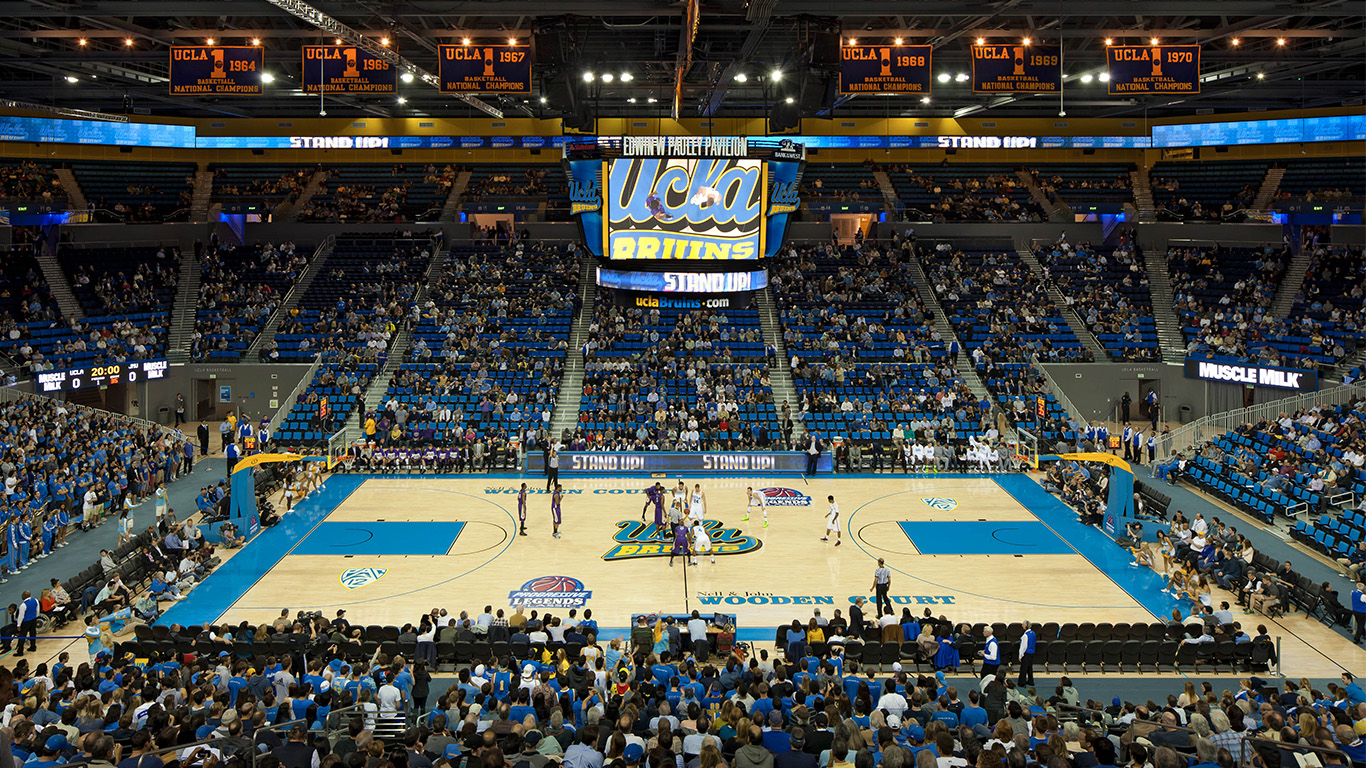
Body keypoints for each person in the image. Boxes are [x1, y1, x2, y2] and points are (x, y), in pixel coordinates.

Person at [15, 589, 39, 657]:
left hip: (26, 622)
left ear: (24, 596)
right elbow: (37, 610)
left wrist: (18, 625)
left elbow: (21, 616)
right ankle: (33, 646)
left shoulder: (23, 605)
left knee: (22, 636)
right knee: (33, 634)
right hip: (33, 619)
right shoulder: (35, 600)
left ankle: (20, 651)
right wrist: (35, 617)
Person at [1017, 619, 1036, 685]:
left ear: (1026, 626)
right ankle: (1031, 681)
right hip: (1032, 653)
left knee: (1023, 669)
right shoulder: (1033, 633)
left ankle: (1022, 683)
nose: (1022, 626)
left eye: (1023, 625)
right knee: (1029, 668)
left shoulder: (1025, 636)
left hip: (1026, 654)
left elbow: (1023, 647)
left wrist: (1020, 656)